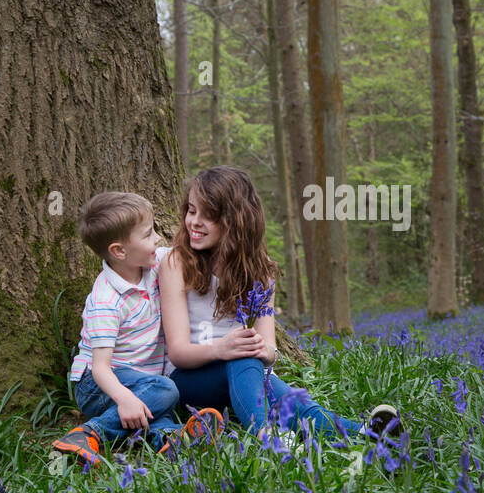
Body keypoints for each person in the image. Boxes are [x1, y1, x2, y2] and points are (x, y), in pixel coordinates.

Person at [158, 166, 400, 443]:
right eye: (191, 210)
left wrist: (263, 349)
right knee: (245, 361)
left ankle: (362, 433)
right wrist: (222, 349)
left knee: (279, 389)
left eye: (208, 215)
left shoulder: (261, 274)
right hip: (187, 381)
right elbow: (177, 353)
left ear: (236, 220)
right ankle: (267, 436)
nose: (194, 222)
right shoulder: (176, 263)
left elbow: (271, 349)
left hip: (243, 374)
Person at [53, 191, 223, 467]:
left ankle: (171, 441)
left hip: (142, 383)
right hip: (99, 385)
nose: (157, 237)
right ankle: (88, 432)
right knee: (166, 391)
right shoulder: (106, 300)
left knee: (159, 407)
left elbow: (191, 253)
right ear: (119, 251)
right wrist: (124, 398)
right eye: (147, 234)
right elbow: (100, 368)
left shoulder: (154, 264)